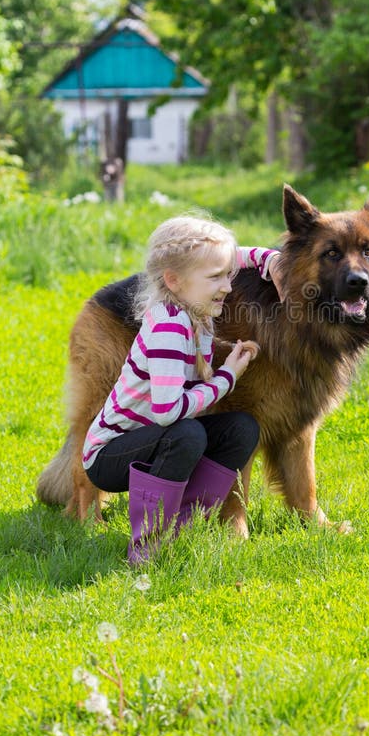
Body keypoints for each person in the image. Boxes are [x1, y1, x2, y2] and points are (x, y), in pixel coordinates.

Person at [82, 215, 281, 564]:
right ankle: (148, 547)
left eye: (228, 274)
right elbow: (168, 412)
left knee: (242, 428)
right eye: (216, 278)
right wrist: (227, 378)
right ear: (174, 281)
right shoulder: (170, 327)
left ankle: (185, 528)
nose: (228, 286)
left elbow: (232, 258)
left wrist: (269, 260)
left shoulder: (195, 308)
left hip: (150, 438)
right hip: (109, 455)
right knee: (186, 433)